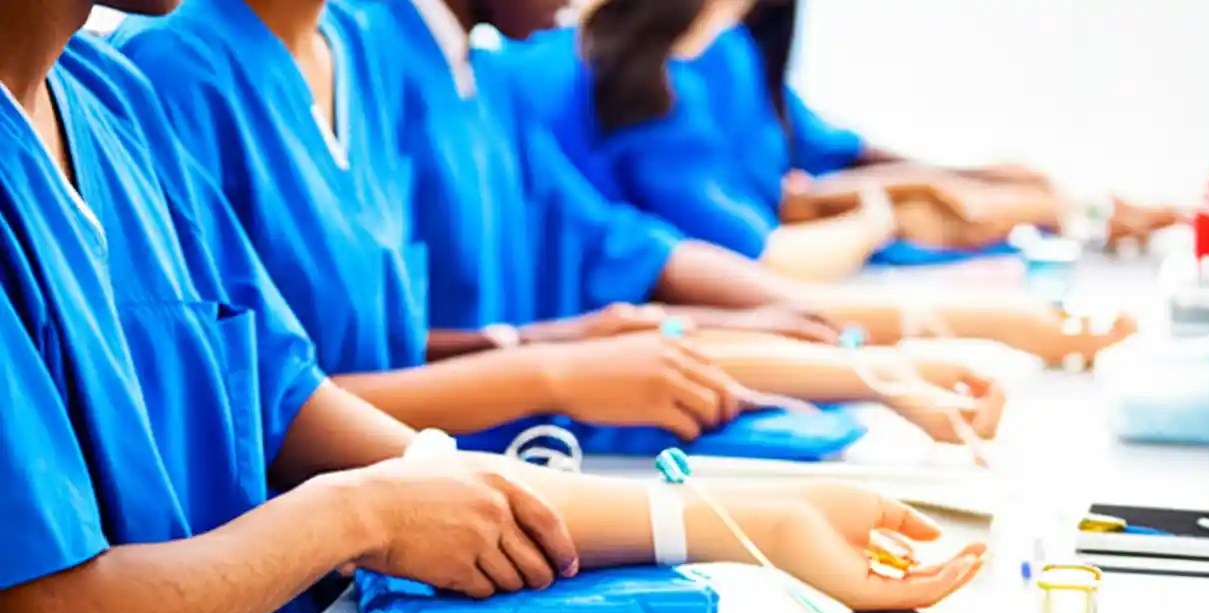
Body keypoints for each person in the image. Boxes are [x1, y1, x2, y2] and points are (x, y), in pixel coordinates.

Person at [0, 4, 984, 613]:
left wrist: (751, 521)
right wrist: (369, 509)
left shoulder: (111, 102)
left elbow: (318, 418)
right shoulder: (185, 74)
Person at [112, 0, 1007, 448]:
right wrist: (551, 364)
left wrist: (860, 361)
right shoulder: (181, 77)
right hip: (397, 519)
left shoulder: (405, 65)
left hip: (454, 484)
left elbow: (613, 252)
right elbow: (274, 415)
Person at [512, 0, 1183, 261]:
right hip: (734, 285)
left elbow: (830, 153)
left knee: (1016, 182)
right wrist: (882, 214)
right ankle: (1086, 218)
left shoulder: (730, 55)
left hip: (775, 261)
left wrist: (1016, 188)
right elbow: (773, 257)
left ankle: (1085, 215)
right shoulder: (644, 85)